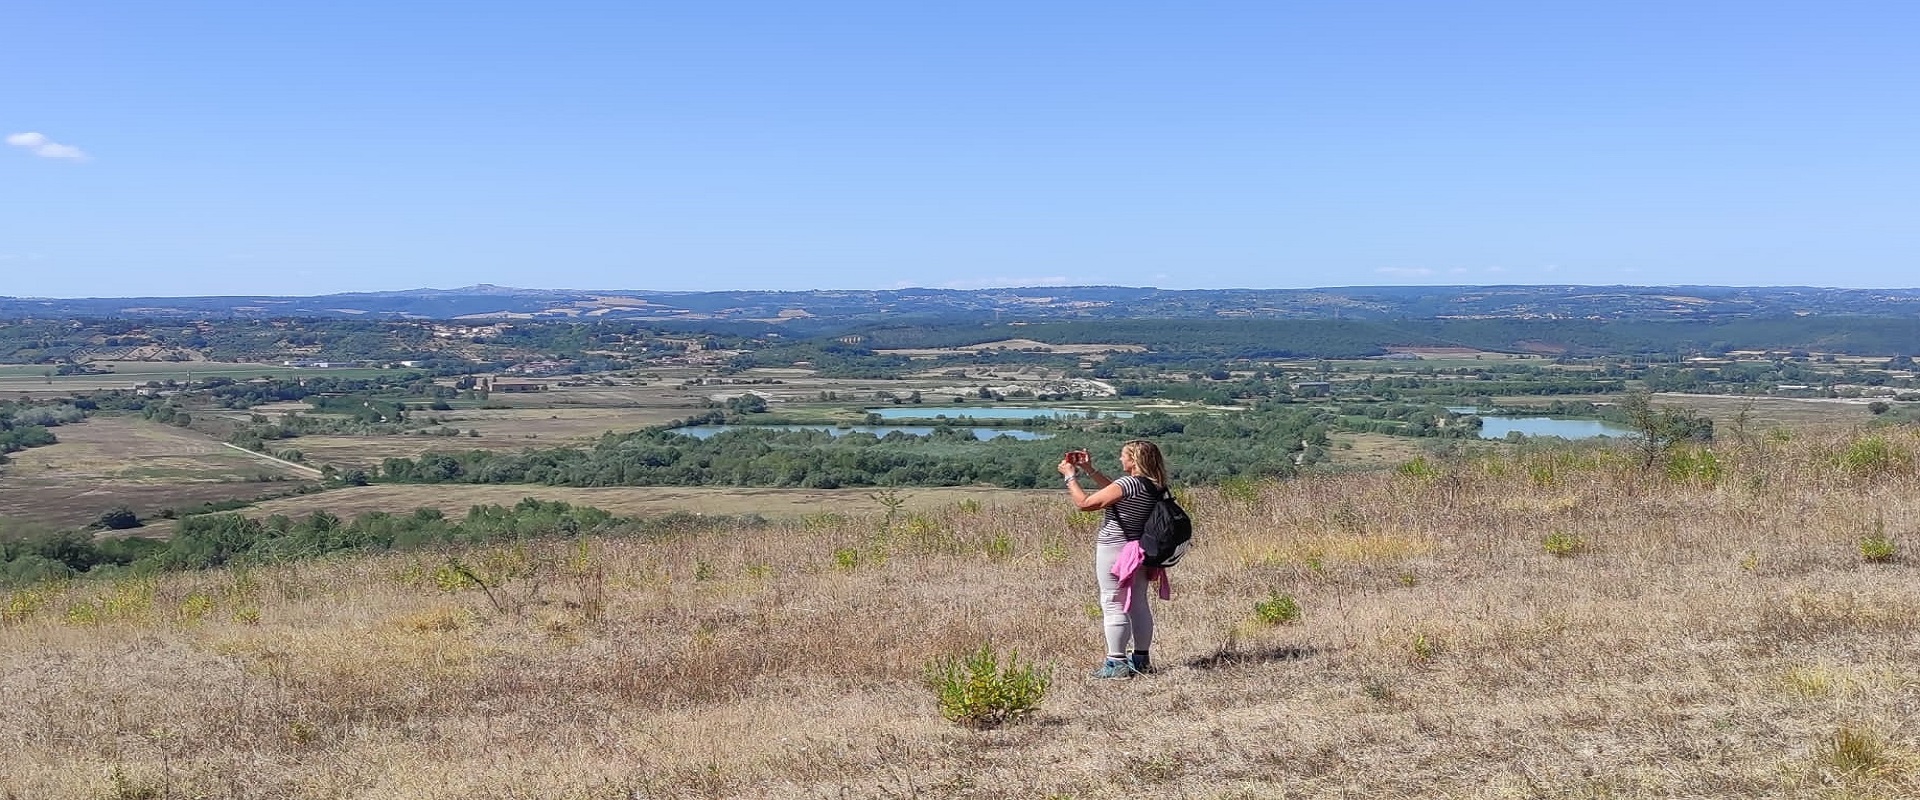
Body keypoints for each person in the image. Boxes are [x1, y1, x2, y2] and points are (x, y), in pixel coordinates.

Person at [1059, 439, 1171, 679]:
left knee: (1113, 603)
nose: (1120, 459)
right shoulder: (1154, 484)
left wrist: (1070, 476)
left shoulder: (1129, 483)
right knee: (1138, 604)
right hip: (1140, 550)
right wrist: (1090, 470)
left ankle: (1116, 663)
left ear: (1133, 460)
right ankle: (1141, 660)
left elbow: (1085, 504)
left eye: (1123, 456)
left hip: (1115, 549)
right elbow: (1115, 491)